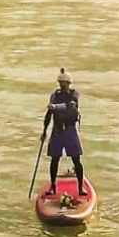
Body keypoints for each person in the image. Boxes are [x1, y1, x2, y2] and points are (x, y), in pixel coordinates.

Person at [41, 68, 86, 197]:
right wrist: (44, 131)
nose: (62, 85)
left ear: (69, 83)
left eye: (65, 83)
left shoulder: (74, 95)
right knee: (54, 159)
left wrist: (55, 107)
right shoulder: (54, 96)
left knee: (76, 159)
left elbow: (71, 105)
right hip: (58, 130)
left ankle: (80, 187)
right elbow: (49, 115)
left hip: (70, 130)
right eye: (61, 83)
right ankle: (53, 186)